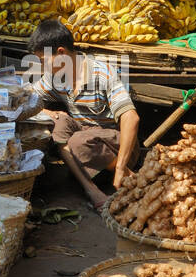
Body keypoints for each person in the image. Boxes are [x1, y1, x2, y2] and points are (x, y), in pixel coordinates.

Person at [27, 19, 139, 209]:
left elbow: (131, 117)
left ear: (61, 53)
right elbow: (28, 95)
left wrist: (120, 167)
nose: (42, 66)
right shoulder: (55, 76)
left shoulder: (102, 73)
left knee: (78, 141)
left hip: (115, 145)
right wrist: (45, 110)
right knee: (59, 123)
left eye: (43, 61)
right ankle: (91, 189)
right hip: (84, 141)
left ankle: (127, 174)